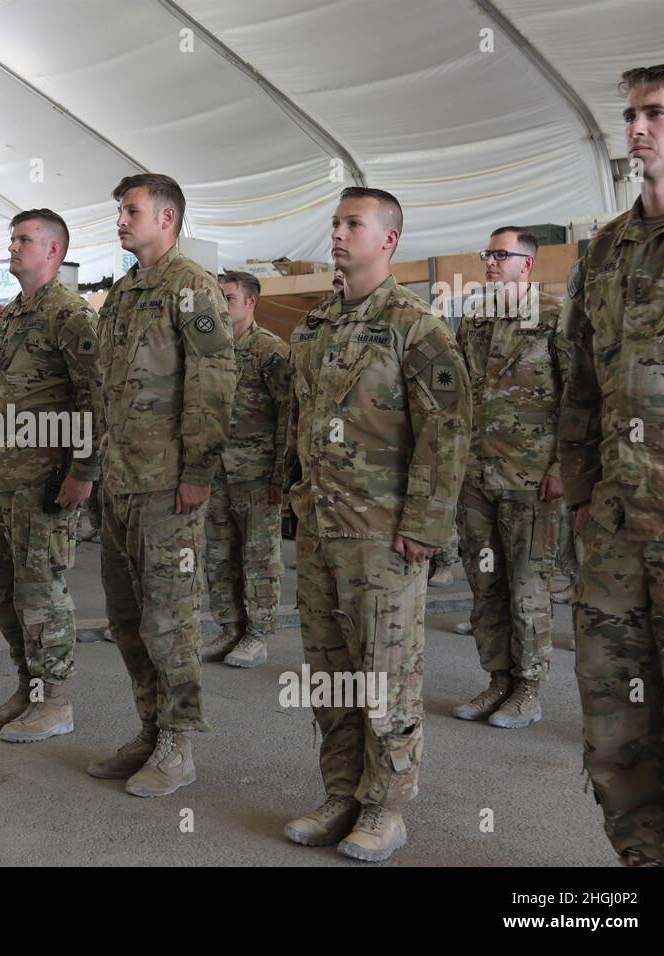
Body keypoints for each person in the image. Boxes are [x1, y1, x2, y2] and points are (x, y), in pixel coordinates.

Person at [282, 186, 470, 861]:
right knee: (330, 672)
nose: (337, 234)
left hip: (382, 532)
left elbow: (447, 432)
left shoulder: (417, 327)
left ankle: (386, 807)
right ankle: (340, 792)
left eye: (352, 224)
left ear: (388, 239)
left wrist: (425, 523)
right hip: (320, 525)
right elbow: (297, 419)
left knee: (385, 674)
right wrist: (292, 497)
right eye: (334, 223)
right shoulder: (315, 325)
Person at [560, 64, 664, 867]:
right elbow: (577, 382)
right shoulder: (606, 249)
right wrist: (579, 498)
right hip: (614, 532)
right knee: (615, 723)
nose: (636, 128)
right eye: (630, 114)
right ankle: (645, 863)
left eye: (656, 114)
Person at [88, 173, 237, 797]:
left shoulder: (192, 287)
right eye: (120, 210)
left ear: (167, 218)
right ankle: (149, 728)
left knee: (169, 618)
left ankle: (179, 744)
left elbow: (214, 380)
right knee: (127, 618)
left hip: (167, 485)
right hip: (120, 480)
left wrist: (198, 472)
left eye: (131, 210)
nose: (120, 220)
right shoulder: (123, 294)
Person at [0, 208, 99, 742]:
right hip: (3, 476)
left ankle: (55, 702)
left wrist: (83, 471)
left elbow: (95, 397)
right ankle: (28, 690)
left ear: (53, 251)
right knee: (5, 593)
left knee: (42, 593)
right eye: (12, 239)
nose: (12, 248)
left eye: (24, 240)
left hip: (44, 480)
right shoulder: (17, 313)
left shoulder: (69, 314)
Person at [452, 227, 570, 729]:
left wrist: (564, 465)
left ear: (528, 263)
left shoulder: (555, 319)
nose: (491, 261)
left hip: (530, 478)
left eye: (502, 254)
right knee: (485, 582)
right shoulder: (474, 319)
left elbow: (577, 395)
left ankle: (529, 688)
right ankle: (498, 679)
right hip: (476, 475)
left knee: (527, 585)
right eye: (488, 253)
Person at [199, 270, 288, 669]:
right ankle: (229, 626)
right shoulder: (208, 349)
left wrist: (281, 476)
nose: (221, 307)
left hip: (256, 474)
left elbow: (290, 415)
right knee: (217, 555)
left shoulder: (270, 350)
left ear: (251, 302)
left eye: (229, 299)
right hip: (216, 472)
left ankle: (258, 632)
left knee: (258, 557)